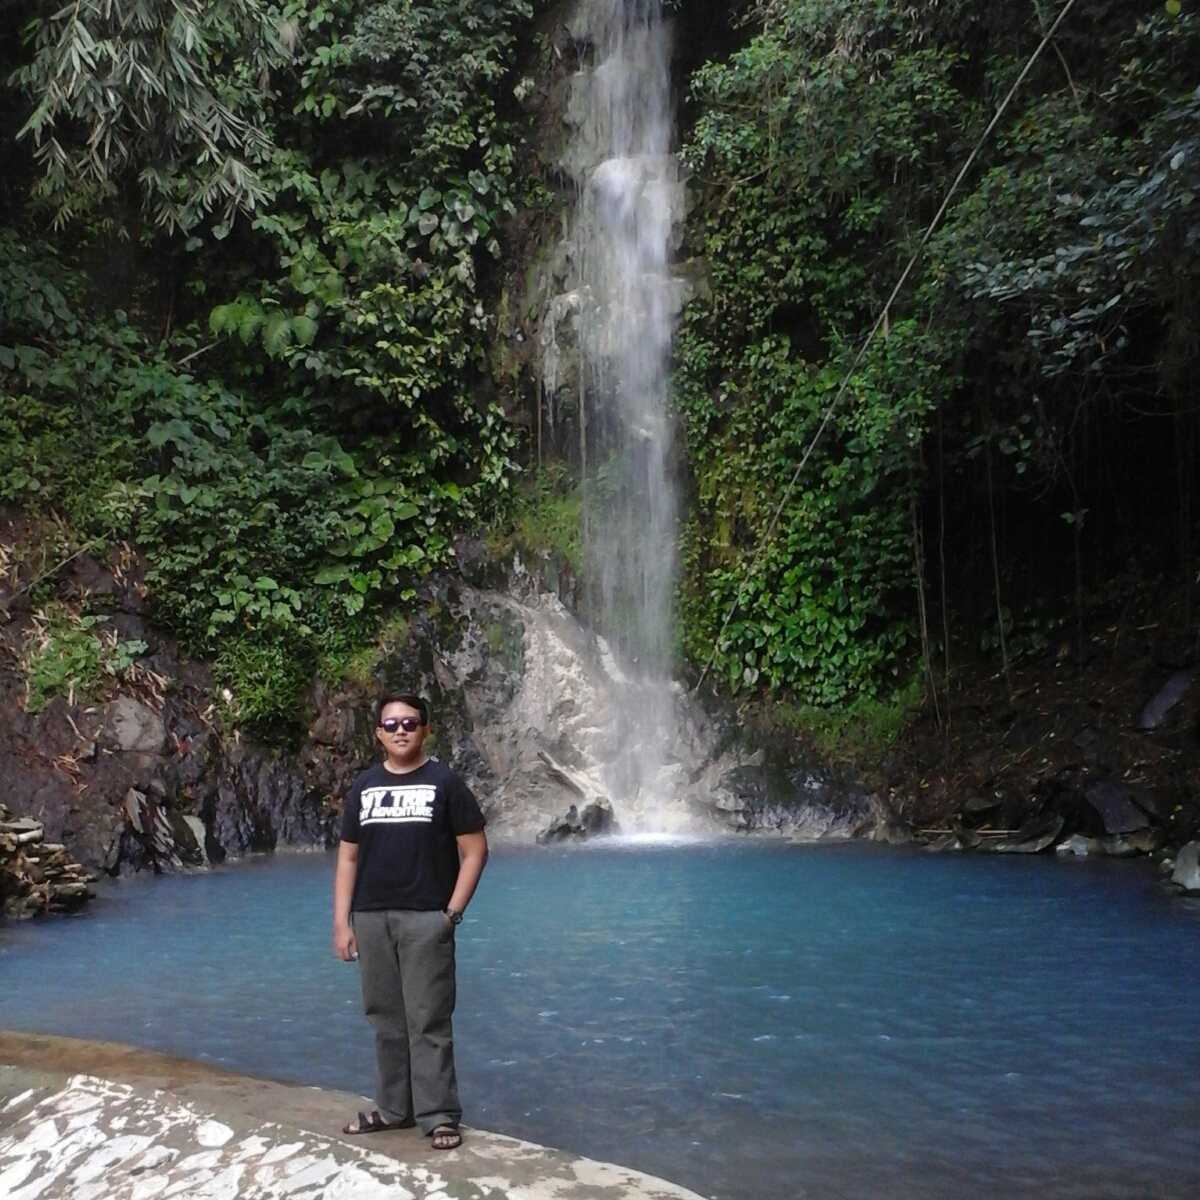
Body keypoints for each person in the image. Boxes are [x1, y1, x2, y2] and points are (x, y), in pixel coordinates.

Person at [333, 692, 488, 1150]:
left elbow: (475, 850)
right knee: (384, 1017)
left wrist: (451, 913)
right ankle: (393, 1109)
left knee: (429, 1020)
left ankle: (439, 1115)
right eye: (391, 723)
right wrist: (342, 923)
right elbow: (347, 858)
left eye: (410, 722)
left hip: (426, 918)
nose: (401, 730)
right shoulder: (363, 787)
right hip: (371, 918)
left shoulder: (446, 783)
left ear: (424, 730)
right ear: (379, 733)